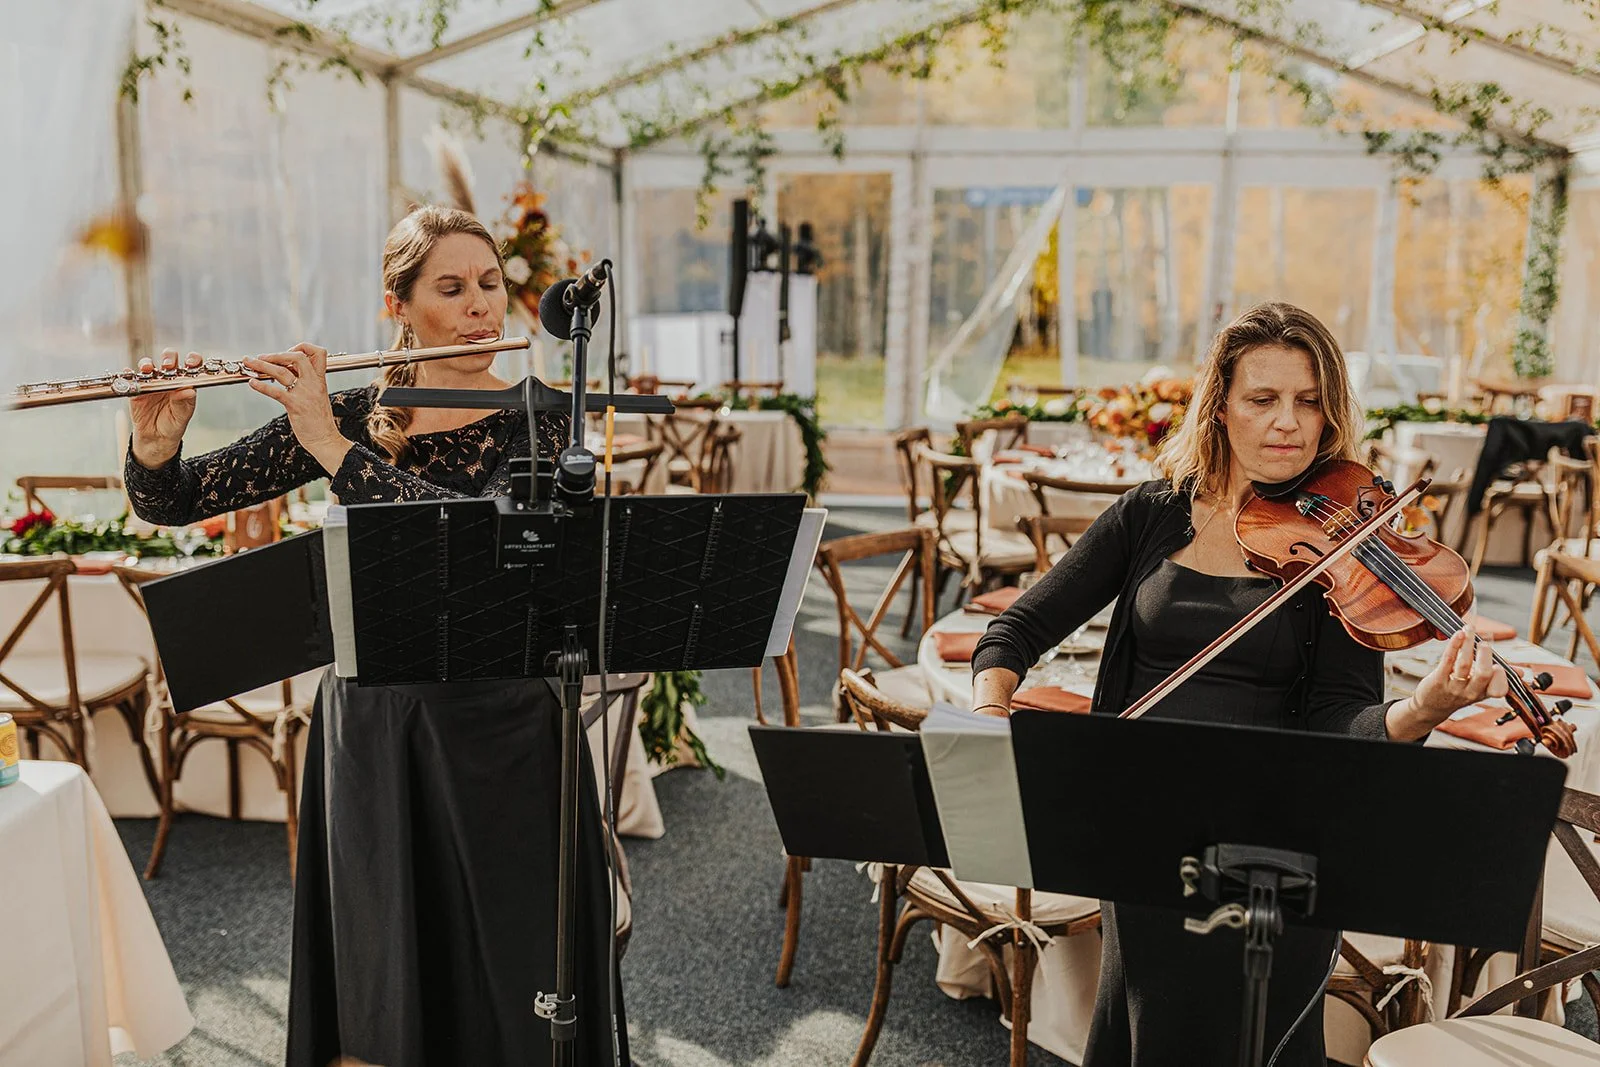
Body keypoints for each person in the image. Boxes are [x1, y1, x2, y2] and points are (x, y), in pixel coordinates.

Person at [123, 205, 627, 1067]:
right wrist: (155, 446)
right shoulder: (354, 408)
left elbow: (477, 547)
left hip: (504, 734)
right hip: (377, 734)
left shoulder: (541, 418)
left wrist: (329, 445)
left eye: (490, 284)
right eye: (452, 287)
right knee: (385, 986)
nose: (480, 306)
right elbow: (178, 501)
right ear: (400, 304)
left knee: (515, 986)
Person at [969, 302, 1507, 1066]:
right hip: (1143, 829)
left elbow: (1338, 721)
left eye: (1309, 400)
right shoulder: (1151, 514)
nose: (1288, 422)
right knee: (1149, 1034)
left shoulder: (1341, 545)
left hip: (1274, 848)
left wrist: (1421, 709)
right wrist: (991, 715)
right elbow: (1014, 630)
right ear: (1220, 406)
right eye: (1263, 398)